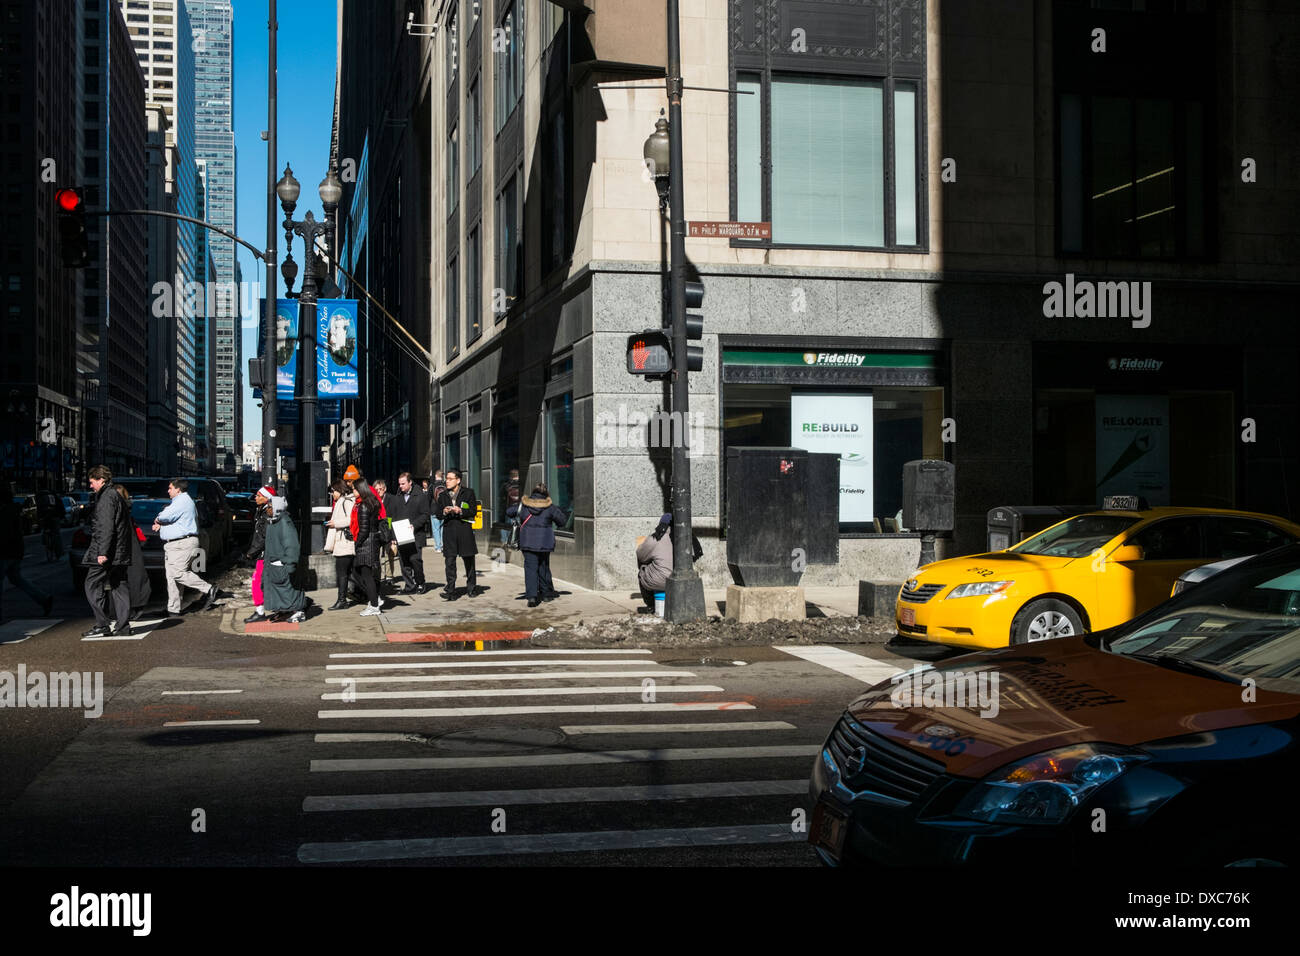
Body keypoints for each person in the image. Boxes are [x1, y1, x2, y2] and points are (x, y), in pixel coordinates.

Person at [151, 477, 218, 619]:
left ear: (178, 489)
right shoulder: (181, 502)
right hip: (176, 544)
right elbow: (172, 520)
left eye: (170, 488)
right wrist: (161, 523)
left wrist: (159, 520)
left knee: (177, 573)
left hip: (181, 543)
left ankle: (209, 589)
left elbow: (164, 516)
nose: (168, 491)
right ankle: (173, 609)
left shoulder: (182, 501)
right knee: (172, 578)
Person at [80, 466, 133, 638]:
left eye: (92, 481)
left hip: (108, 552)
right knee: (119, 586)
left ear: (101, 479)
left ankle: (102, 623)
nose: (91, 486)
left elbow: (105, 527)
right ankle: (123, 625)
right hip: (119, 552)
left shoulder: (106, 498)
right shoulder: (115, 495)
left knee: (92, 584)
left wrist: (102, 552)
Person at [506, 483, 569, 607]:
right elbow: (562, 521)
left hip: (528, 542)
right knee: (543, 567)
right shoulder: (550, 507)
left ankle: (532, 597)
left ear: (533, 493)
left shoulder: (524, 505)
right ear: (546, 494)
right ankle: (546, 594)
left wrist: (519, 506)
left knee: (530, 568)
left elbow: (509, 512)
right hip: (544, 542)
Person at [0, 480, 53, 623]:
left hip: (4, 551)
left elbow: (5, 533)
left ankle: (43, 599)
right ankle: (43, 598)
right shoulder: (14, 510)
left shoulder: (4, 512)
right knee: (17, 579)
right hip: (15, 550)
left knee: (14, 579)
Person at [436, 468, 480, 599]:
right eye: (446, 479)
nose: (447, 482)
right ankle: (450, 590)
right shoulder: (443, 495)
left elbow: (473, 511)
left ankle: (471, 588)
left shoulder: (468, 493)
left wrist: (460, 511)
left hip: (464, 530)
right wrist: (444, 511)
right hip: (449, 531)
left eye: (450, 479)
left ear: (458, 480)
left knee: (469, 560)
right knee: (449, 561)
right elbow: (437, 514)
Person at [261, 496, 306, 623]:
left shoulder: (284, 523)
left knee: (288, 590)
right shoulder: (273, 522)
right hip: (275, 565)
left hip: (282, 565)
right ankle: (285, 610)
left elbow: (291, 545)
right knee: (279, 589)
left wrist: (290, 564)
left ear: (277, 508)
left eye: (269, 507)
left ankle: (297, 611)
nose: (267, 510)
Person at [388, 471, 432, 594]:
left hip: (416, 534)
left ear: (410, 482)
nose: (401, 486)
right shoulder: (397, 497)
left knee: (415, 560)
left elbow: (425, 515)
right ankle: (409, 586)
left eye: (403, 484)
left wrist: (415, 525)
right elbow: (393, 517)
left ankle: (420, 582)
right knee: (404, 562)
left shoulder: (420, 496)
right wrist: (393, 536)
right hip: (401, 534)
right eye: (399, 484)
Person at [113, 484, 152, 620]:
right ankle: (135, 607)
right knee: (134, 576)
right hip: (132, 546)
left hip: (124, 547)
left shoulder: (118, 510)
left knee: (124, 579)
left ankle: (127, 609)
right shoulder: (128, 509)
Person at [241, 484, 276, 624]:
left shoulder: (266, 513)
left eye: (258, 495)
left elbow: (263, 536)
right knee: (265, 582)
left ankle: (260, 611)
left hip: (265, 553)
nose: (255, 497)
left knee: (257, 582)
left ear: (266, 498)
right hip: (265, 553)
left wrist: (251, 552)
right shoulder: (261, 511)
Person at [350, 482, 384, 616]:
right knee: (363, 572)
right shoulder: (371, 503)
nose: (353, 492)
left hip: (366, 543)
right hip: (371, 541)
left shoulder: (364, 505)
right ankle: (374, 600)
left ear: (360, 489)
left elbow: (364, 529)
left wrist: (357, 543)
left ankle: (374, 604)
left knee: (365, 574)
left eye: (354, 489)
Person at [326, 478, 359, 610]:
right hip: (342, 543)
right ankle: (348, 597)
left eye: (333, 491)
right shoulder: (341, 501)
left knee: (342, 573)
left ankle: (342, 600)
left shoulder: (346, 502)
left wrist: (336, 523)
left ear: (339, 490)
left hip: (345, 543)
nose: (332, 494)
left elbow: (351, 519)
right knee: (347, 573)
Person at [636, 514, 675, 610]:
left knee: (642, 569)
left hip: (658, 581)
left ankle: (651, 605)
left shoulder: (655, 538)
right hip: (680, 581)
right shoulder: (685, 538)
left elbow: (640, 556)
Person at [371, 478, 401, 587]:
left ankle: (389, 576)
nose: (378, 491)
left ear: (385, 489)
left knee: (390, 554)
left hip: (388, 527)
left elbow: (393, 518)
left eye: (380, 489)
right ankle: (377, 577)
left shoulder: (392, 500)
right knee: (377, 556)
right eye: (376, 489)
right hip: (377, 530)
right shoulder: (372, 500)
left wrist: (393, 536)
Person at [35, 490, 65, 562]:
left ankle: (46, 543)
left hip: (45, 517)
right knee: (56, 535)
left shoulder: (40, 498)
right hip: (54, 517)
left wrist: (39, 519)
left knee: (45, 531)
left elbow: (38, 510)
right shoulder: (55, 497)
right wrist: (61, 517)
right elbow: (61, 508)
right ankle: (59, 552)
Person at [500, 468, 522, 547]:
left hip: (509, 508)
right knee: (518, 525)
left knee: (507, 525)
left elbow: (501, 497)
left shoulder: (506, 485)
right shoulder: (521, 484)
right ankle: (515, 541)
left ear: (510, 476)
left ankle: (505, 541)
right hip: (519, 509)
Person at [430, 469, 446, 552]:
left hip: (434, 509)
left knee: (436, 529)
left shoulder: (432, 486)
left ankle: (438, 547)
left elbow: (428, 498)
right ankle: (443, 545)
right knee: (442, 528)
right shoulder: (445, 485)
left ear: (436, 476)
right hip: (443, 509)